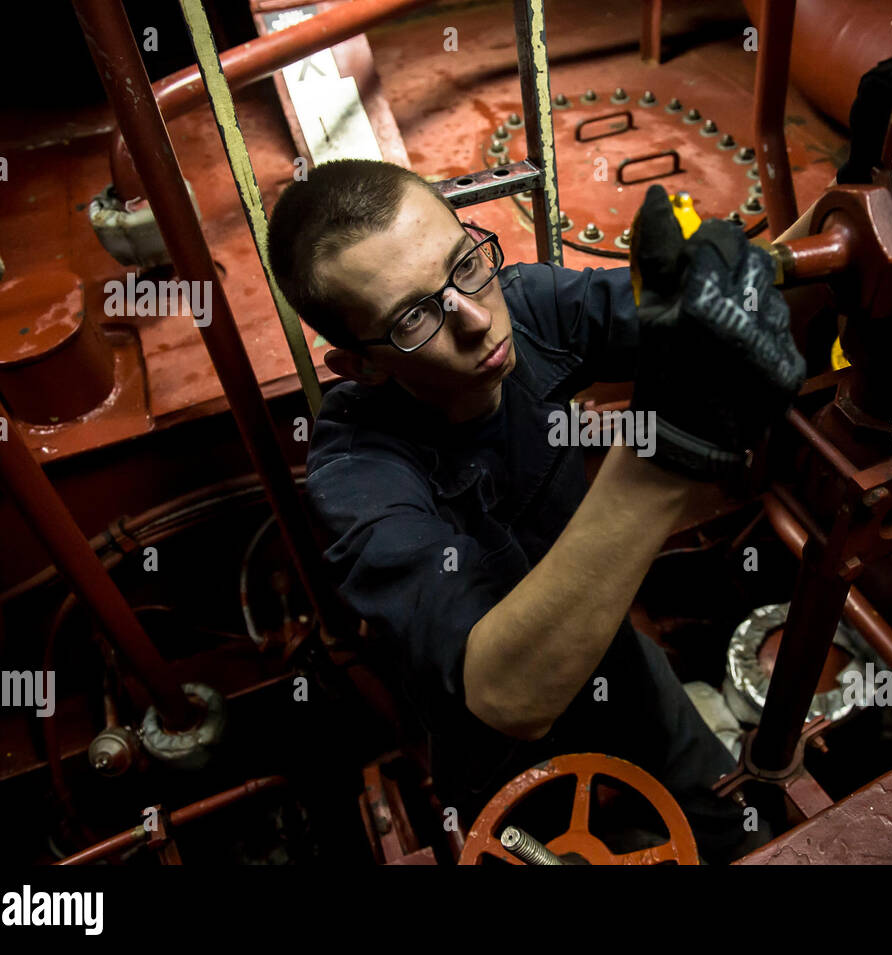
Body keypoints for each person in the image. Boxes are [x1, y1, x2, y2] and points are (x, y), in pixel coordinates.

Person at [268, 160, 803, 863]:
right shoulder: (354, 473)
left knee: (736, 820)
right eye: (414, 316)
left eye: (465, 266)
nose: (477, 317)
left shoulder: (524, 304)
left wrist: (811, 238)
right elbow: (509, 694)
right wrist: (669, 451)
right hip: (491, 739)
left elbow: (701, 316)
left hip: (613, 653)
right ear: (359, 366)